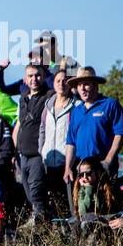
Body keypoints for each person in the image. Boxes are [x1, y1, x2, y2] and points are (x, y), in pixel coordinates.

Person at [63, 66, 123, 187]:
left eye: (86, 84)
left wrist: (108, 161)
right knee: (85, 203)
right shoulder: (76, 111)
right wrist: (68, 167)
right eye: (79, 85)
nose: (82, 88)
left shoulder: (110, 104)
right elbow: (70, 142)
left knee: (106, 202)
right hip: (82, 169)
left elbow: (121, 133)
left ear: (95, 85)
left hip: (103, 166)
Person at [11, 61, 55, 226]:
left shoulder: (49, 96)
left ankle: (40, 223)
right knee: (28, 193)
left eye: (37, 75)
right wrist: (15, 150)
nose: (34, 79)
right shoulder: (22, 98)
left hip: (38, 153)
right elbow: (20, 124)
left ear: (43, 77)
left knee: (37, 191)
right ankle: (44, 222)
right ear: (25, 79)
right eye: (30, 76)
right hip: (23, 154)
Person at [38, 68, 75, 218]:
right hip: (48, 162)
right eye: (58, 80)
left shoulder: (76, 105)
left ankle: (72, 233)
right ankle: (57, 233)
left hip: (66, 163)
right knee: (53, 201)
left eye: (65, 80)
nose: (61, 83)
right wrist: (42, 151)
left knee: (68, 201)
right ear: (53, 84)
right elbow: (42, 129)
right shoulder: (48, 105)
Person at [71, 158, 123, 234]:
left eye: (88, 173)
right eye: (81, 175)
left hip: (109, 226)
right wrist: (88, 189)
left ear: (98, 172)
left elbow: (101, 210)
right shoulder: (81, 190)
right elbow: (83, 212)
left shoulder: (110, 188)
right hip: (89, 227)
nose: (84, 177)